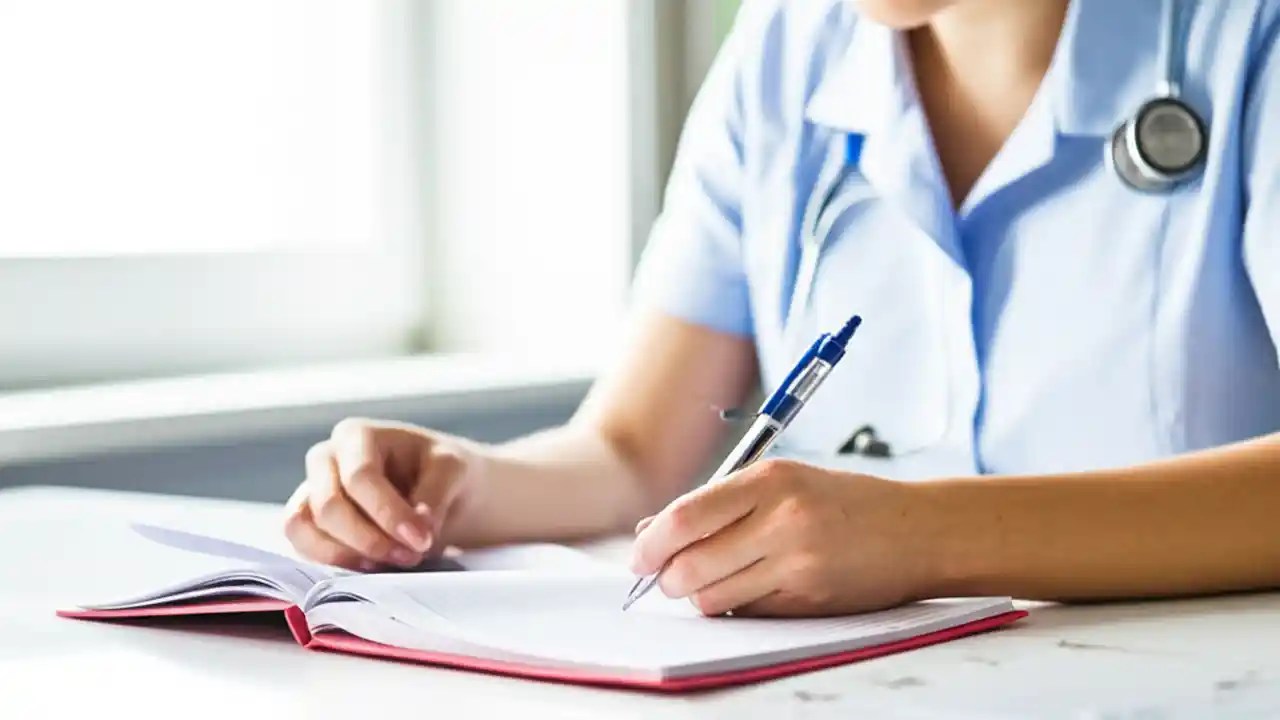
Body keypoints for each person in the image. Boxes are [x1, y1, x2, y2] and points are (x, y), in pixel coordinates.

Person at [283, 0, 1280, 617]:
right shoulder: (784, 46)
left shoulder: (1246, 35)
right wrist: (459, 484)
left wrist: (922, 539)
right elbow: (633, 453)